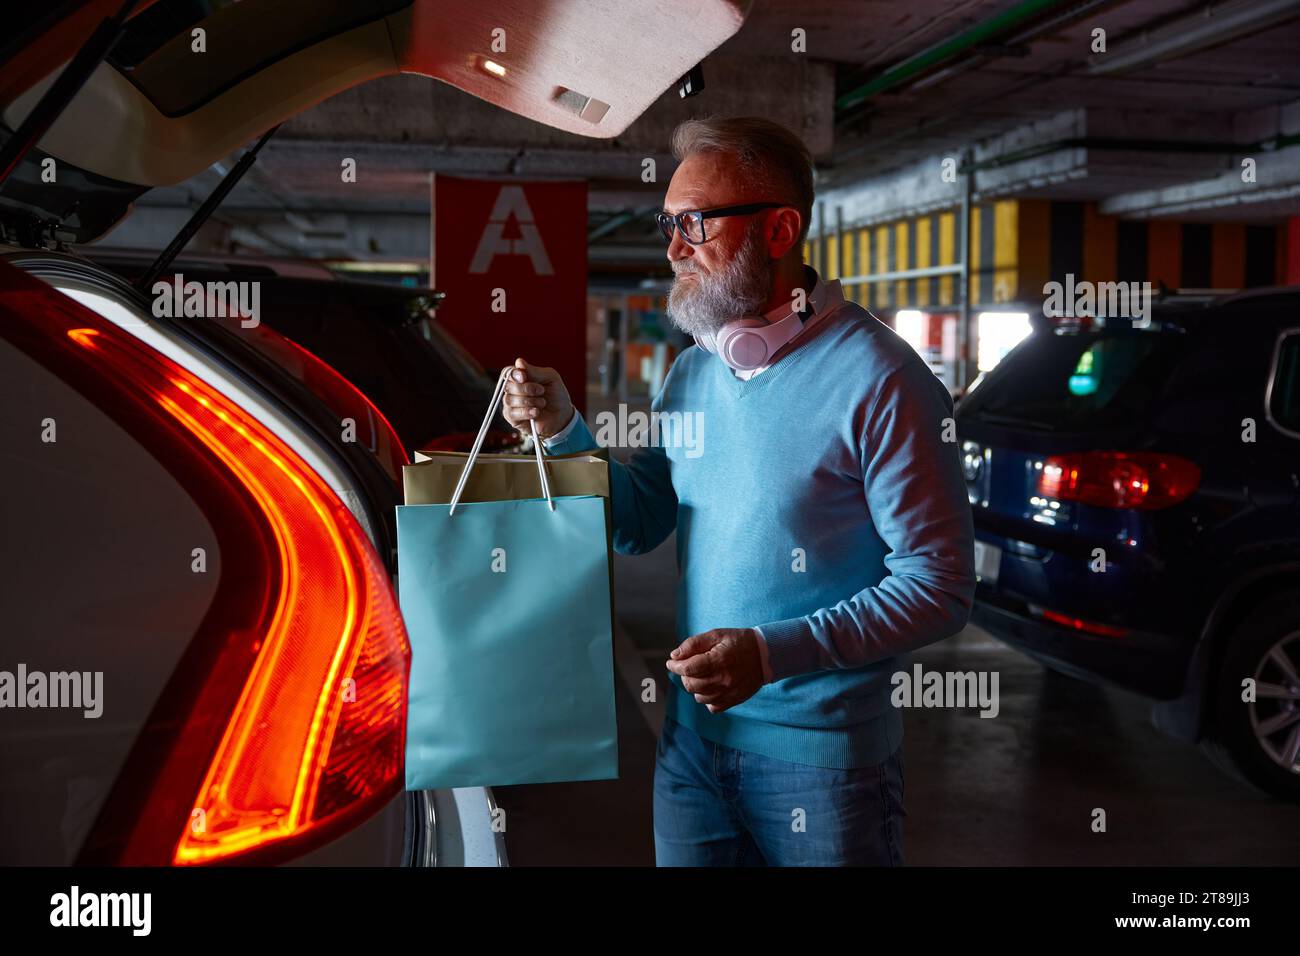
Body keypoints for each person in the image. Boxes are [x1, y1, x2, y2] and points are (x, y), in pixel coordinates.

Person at [501, 116, 975, 866]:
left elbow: (941, 585)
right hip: (692, 744)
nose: (673, 248)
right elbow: (640, 521)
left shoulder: (883, 380)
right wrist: (565, 434)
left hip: (822, 764)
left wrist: (770, 653)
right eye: (669, 224)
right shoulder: (693, 371)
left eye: (694, 222)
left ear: (780, 229)